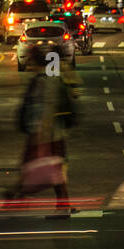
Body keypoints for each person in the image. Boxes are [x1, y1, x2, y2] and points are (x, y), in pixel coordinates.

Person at [9, 45, 78, 209]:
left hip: (44, 133)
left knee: (38, 167)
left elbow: (44, 107)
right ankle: (60, 204)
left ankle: (16, 197)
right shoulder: (49, 77)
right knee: (52, 168)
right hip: (52, 133)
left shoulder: (43, 81)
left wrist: (40, 135)